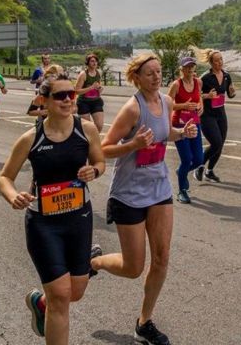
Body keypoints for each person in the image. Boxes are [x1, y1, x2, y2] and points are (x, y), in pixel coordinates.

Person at [91, 52, 197, 345]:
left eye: (158, 71)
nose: (156, 76)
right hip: (129, 193)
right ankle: (96, 262)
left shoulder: (166, 101)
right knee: (133, 267)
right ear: (136, 77)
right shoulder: (132, 109)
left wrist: (182, 133)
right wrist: (134, 144)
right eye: (149, 72)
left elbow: (164, 134)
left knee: (162, 258)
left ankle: (144, 323)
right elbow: (102, 148)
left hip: (159, 188)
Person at [0, 73, 105, 344]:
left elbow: (100, 163)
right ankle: (50, 303)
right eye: (60, 96)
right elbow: (4, 177)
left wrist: (94, 170)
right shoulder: (31, 138)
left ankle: (40, 302)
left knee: (75, 291)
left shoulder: (86, 129)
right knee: (61, 298)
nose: (68, 100)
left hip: (79, 218)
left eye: (72, 94)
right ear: (44, 101)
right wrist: (13, 197)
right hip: (44, 224)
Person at [168, 56, 204, 204]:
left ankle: (181, 172)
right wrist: (183, 106)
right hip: (179, 125)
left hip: (195, 123)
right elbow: (168, 105)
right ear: (181, 69)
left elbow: (199, 97)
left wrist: (200, 105)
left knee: (199, 159)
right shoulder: (176, 85)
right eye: (187, 67)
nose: (190, 69)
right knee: (187, 159)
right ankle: (182, 190)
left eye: (192, 66)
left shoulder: (198, 82)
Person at [196, 49, 235, 183]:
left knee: (220, 144)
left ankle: (209, 171)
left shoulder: (226, 75)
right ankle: (199, 165)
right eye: (217, 60)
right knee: (216, 142)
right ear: (211, 63)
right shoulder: (204, 78)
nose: (220, 62)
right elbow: (195, 96)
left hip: (220, 113)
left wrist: (232, 92)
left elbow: (230, 94)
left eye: (221, 59)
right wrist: (207, 96)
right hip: (207, 115)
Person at [74, 53, 105, 132]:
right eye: (92, 61)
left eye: (96, 61)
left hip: (96, 101)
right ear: (87, 63)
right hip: (84, 102)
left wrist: (100, 89)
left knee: (99, 125)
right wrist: (91, 88)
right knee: (87, 128)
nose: (94, 63)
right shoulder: (83, 74)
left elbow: (98, 87)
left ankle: (94, 141)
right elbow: (77, 91)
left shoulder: (98, 73)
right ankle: (87, 143)